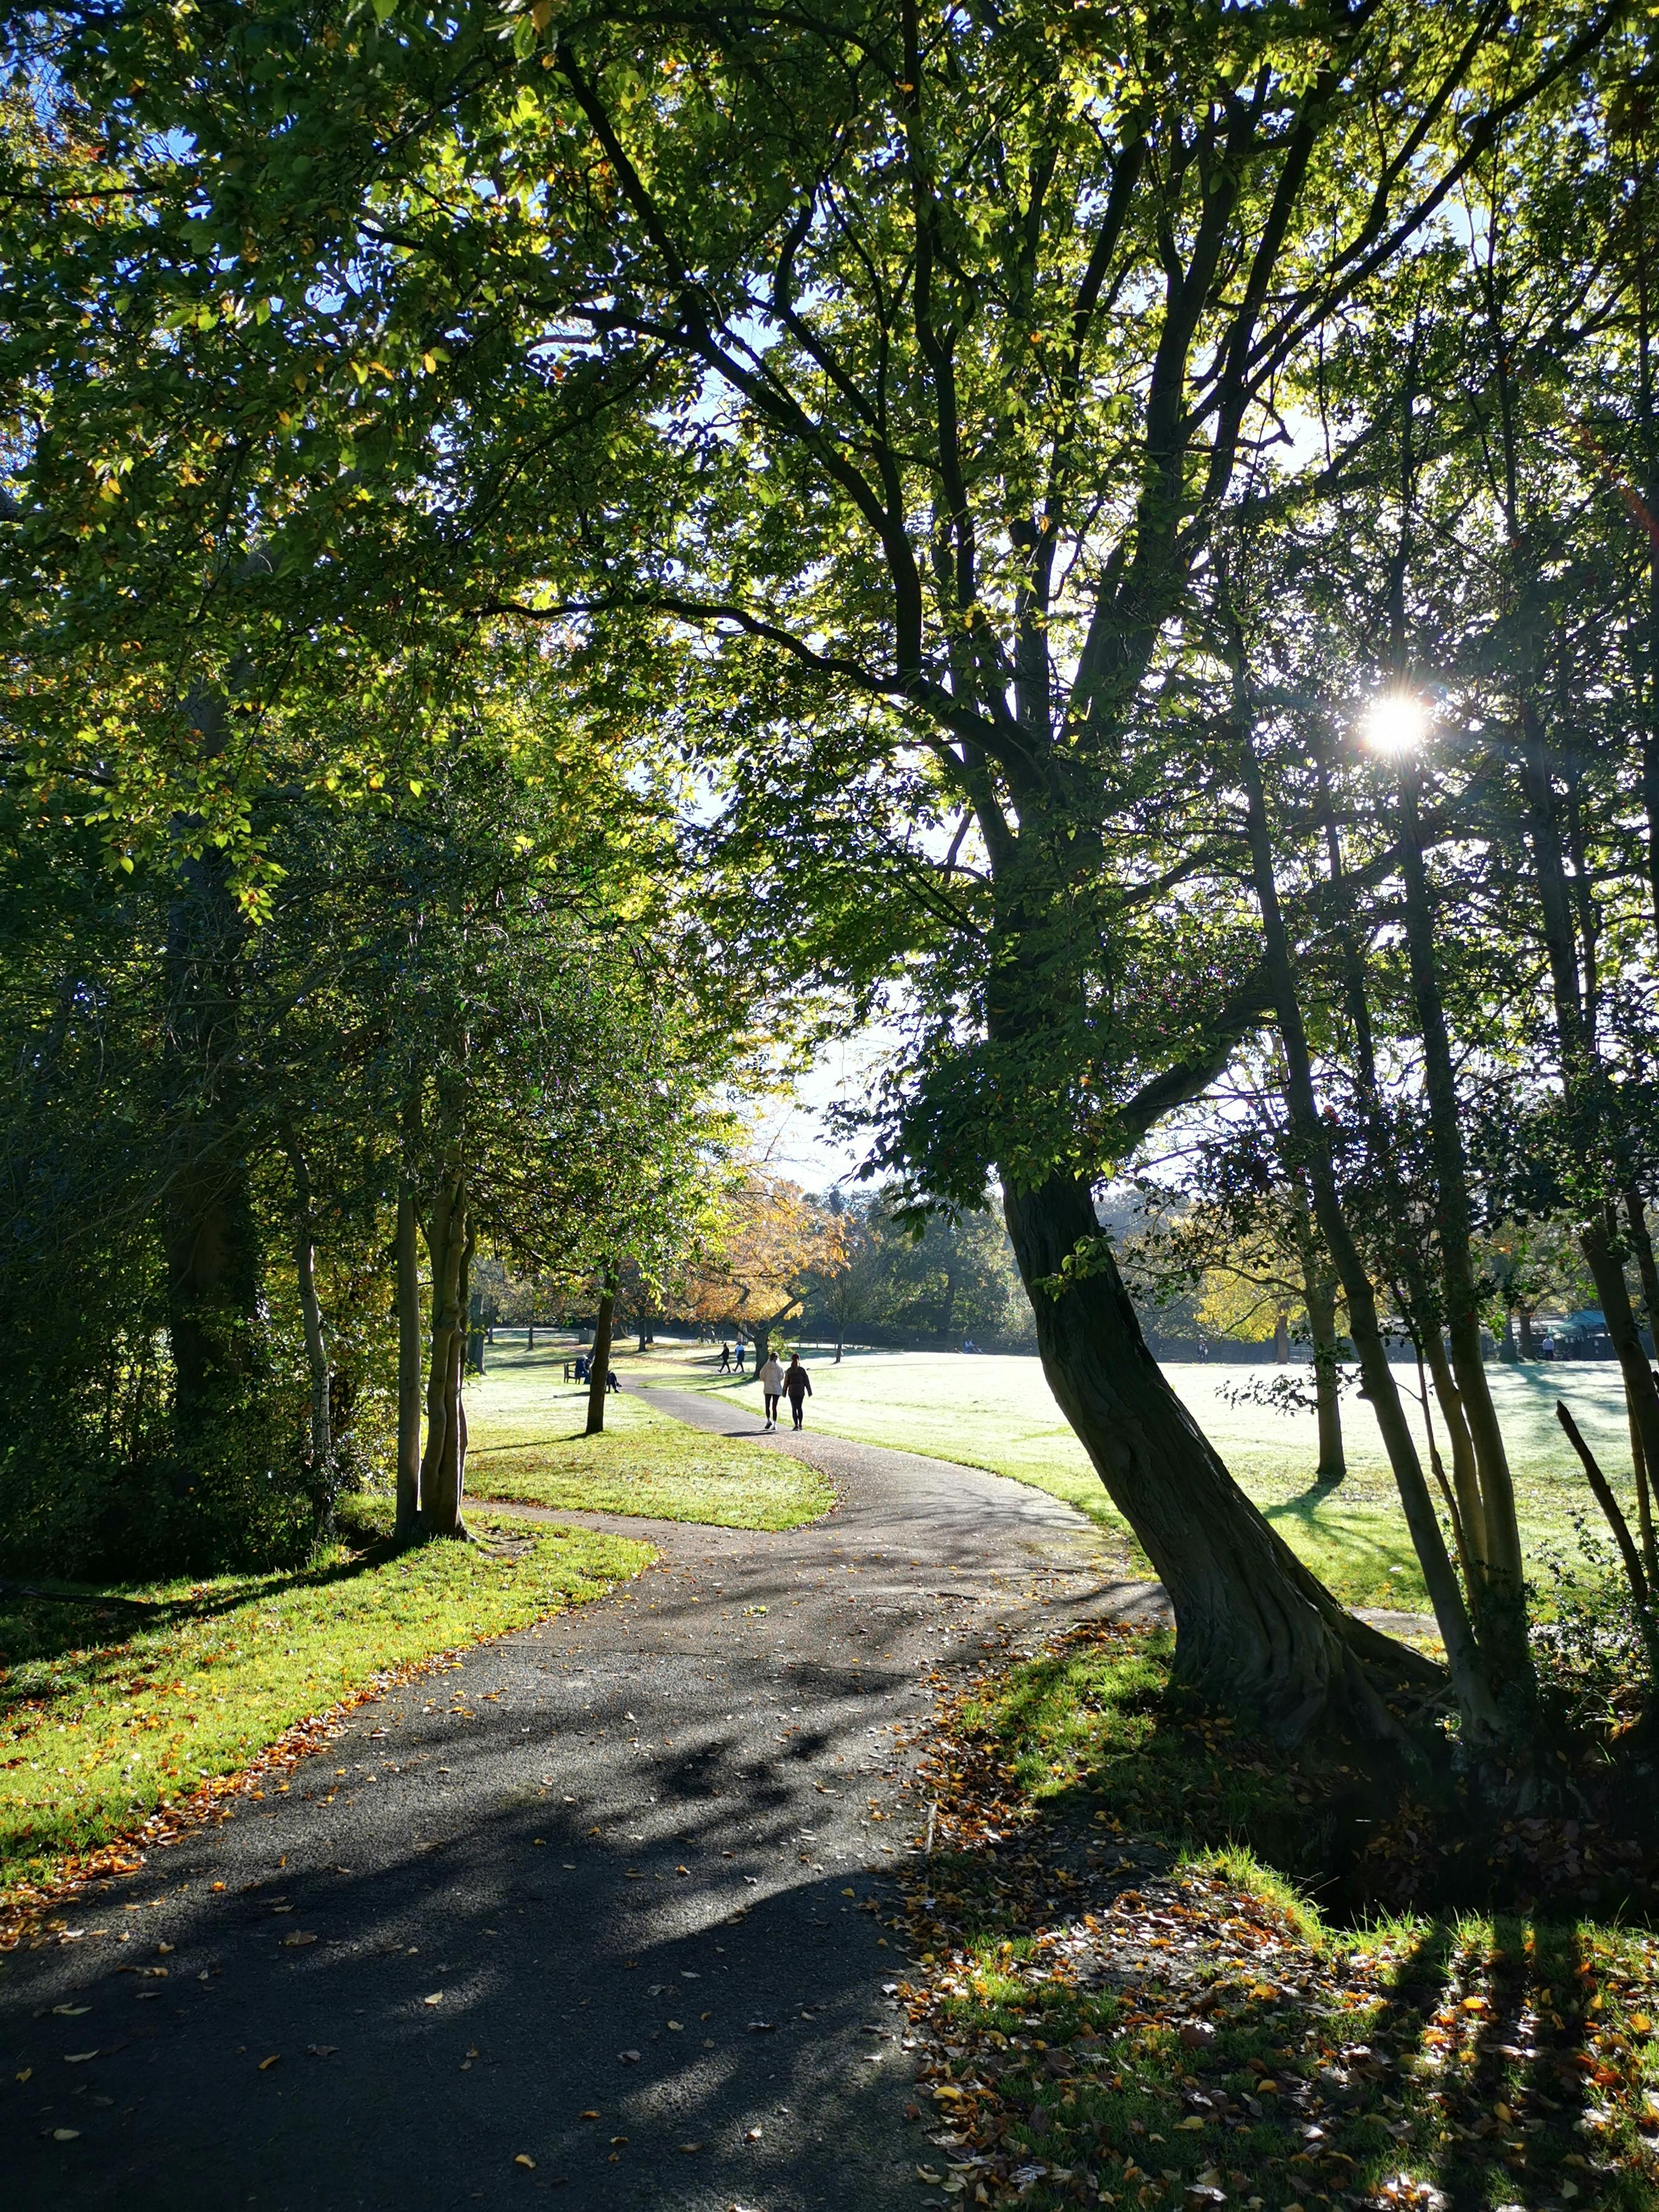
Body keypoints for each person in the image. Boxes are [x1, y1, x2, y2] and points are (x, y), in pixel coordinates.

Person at [782, 1351, 813, 1430]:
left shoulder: (789, 1370)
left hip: (792, 1392)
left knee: (794, 1408)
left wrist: (784, 1392)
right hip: (800, 1392)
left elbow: (786, 1382)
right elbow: (807, 1382)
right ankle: (800, 1424)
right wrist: (809, 1391)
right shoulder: (802, 1370)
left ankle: (796, 1425)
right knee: (799, 1407)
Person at [758, 1351, 784, 1431]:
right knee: (774, 1407)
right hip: (776, 1388)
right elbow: (781, 1377)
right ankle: (775, 1424)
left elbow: (761, 1376)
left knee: (767, 1405)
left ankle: (768, 1420)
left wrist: (766, 1380)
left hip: (768, 1387)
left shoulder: (766, 1366)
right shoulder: (779, 1367)